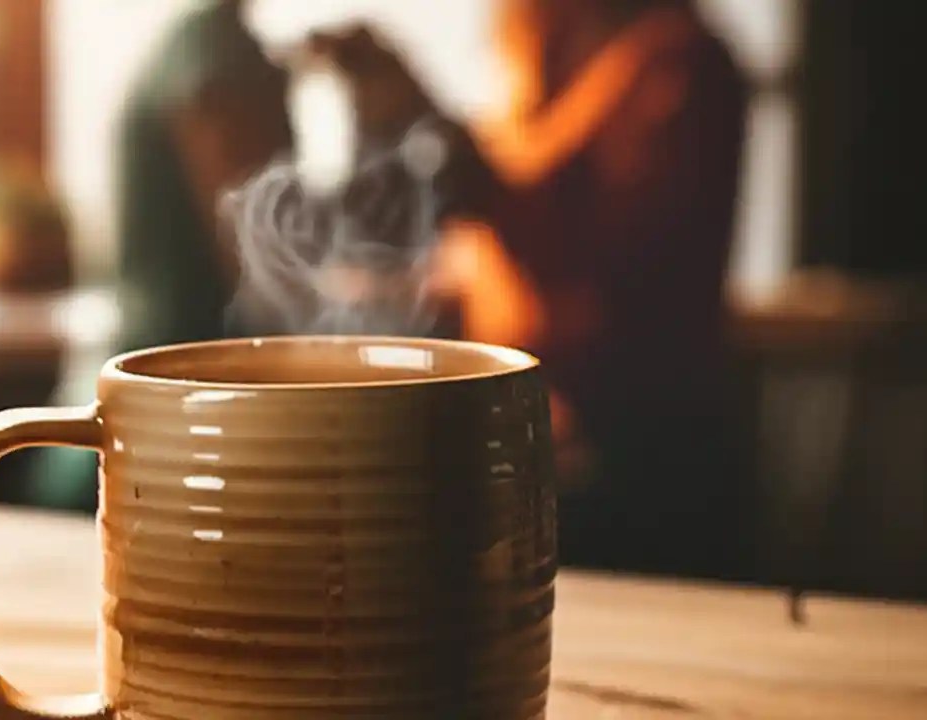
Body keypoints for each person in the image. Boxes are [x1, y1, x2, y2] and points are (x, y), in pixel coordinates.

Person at [311, 0, 750, 578]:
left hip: (630, 458)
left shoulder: (676, 66)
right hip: (536, 443)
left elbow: (589, 267)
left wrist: (428, 122)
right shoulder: (549, 72)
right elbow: (495, 260)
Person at [29, 0, 293, 511]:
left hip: (145, 371)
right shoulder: (212, 55)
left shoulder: (197, 46)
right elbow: (243, 225)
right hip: (177, 389)